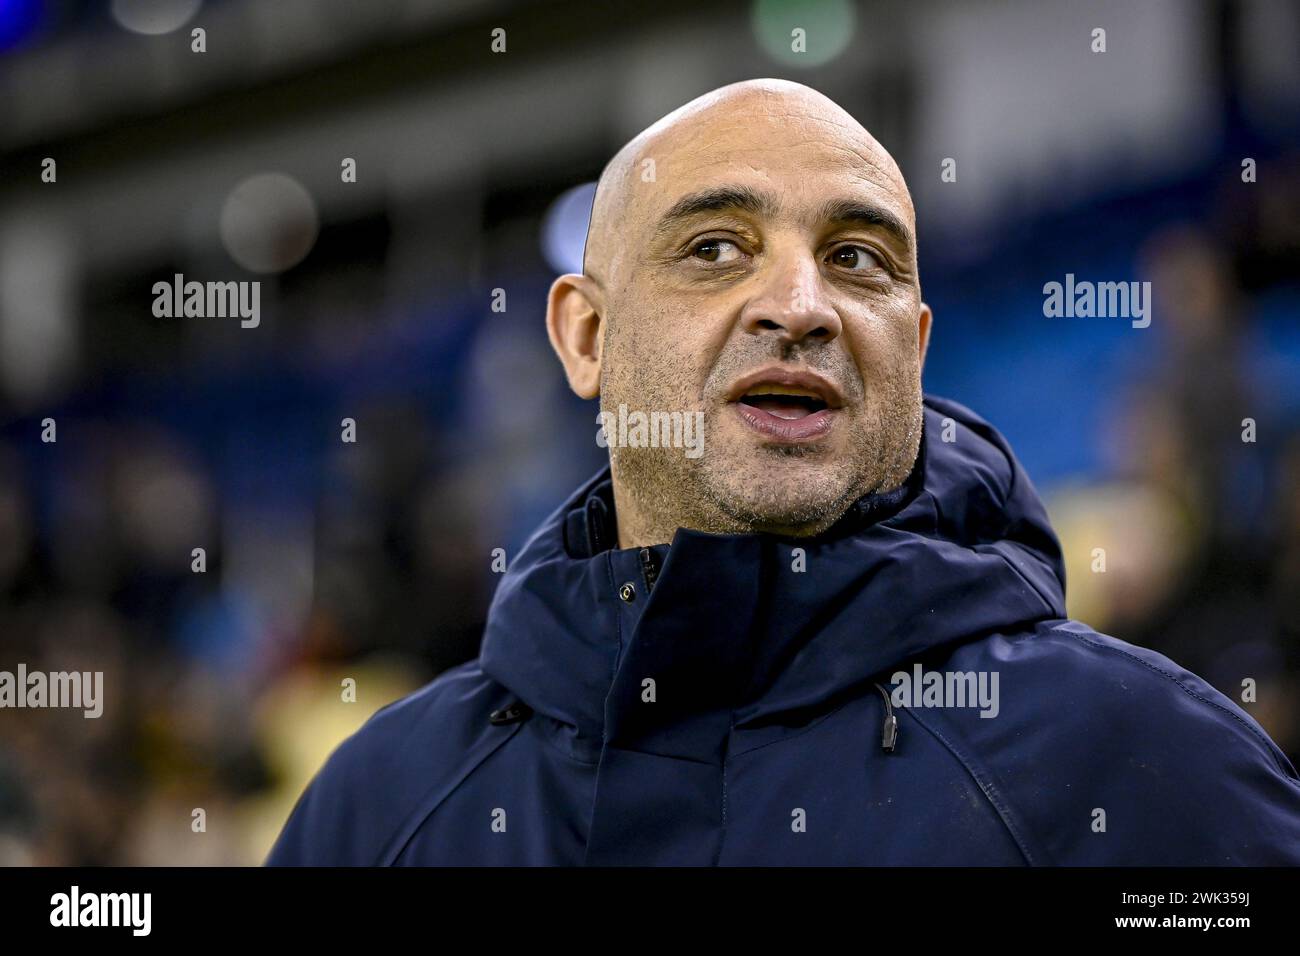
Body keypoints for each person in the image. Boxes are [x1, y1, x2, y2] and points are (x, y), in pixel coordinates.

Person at [266, 78, 1300, 865]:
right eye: (715, 247)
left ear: (917, 345)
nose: (800, 304)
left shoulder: (1150, 769)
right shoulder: (376, 812)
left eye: (858, 257)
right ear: (585, 337)